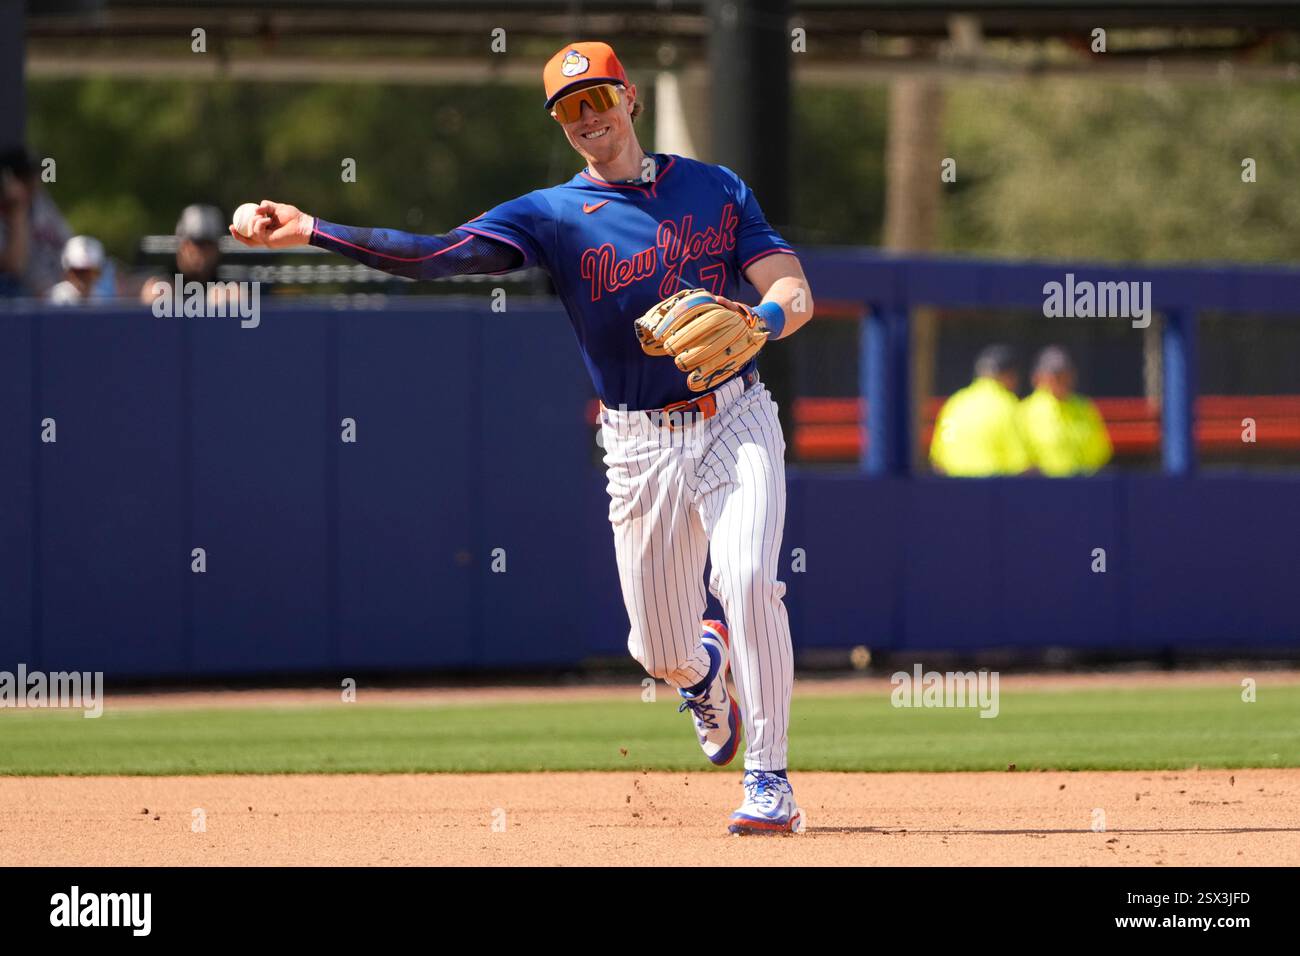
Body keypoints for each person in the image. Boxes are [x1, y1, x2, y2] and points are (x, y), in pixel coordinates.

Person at [230, 40, 816, 834]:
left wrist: (762, 318)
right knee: (660, 651)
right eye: (569, 109)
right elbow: (433, 256)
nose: (587, 118)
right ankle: (704, 673)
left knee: (747, 578)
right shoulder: (549, 215)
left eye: (598, 99)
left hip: (733, 417)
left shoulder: (716, 189)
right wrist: (313, 229)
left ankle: (770, 779)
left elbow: (793, 289)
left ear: (630, 97)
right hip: (638, 442)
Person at [930, 344, 1032, 476]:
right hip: (992, 490)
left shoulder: (954, 403)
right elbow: (1021, 465)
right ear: (1008, 375)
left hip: (953, 488)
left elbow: (938, 461)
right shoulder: (1007, 405)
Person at [1018, 346, 1112, 476]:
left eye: (1065, 375)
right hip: (1043, 485)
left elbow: (1100, 451)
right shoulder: (1026, 411)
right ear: (1039, 377)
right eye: (1055, 375)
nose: (1061, 381)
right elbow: (1021, 458)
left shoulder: (1084, 407)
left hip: (1082, 482)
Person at [0, 146, 72, 298]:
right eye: (26, 177)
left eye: (35, 175)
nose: (34, 182)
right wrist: (17, 210)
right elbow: (15, 265)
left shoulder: (40, 201)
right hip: (25, 299)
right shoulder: (11, 211)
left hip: (60, 288)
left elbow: (70, 244)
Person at [140, 203, 227, 305]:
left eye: (209, 243)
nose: (202, 251)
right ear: (182, 244)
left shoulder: (225, 287)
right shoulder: (164, 284)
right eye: (197, 243)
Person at [49, 235, 106, 305]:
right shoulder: (54, 299)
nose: (83, 277)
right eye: (77, 271)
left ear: (97, 273)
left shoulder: (103, 300)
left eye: (88, 271)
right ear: (68, 272)